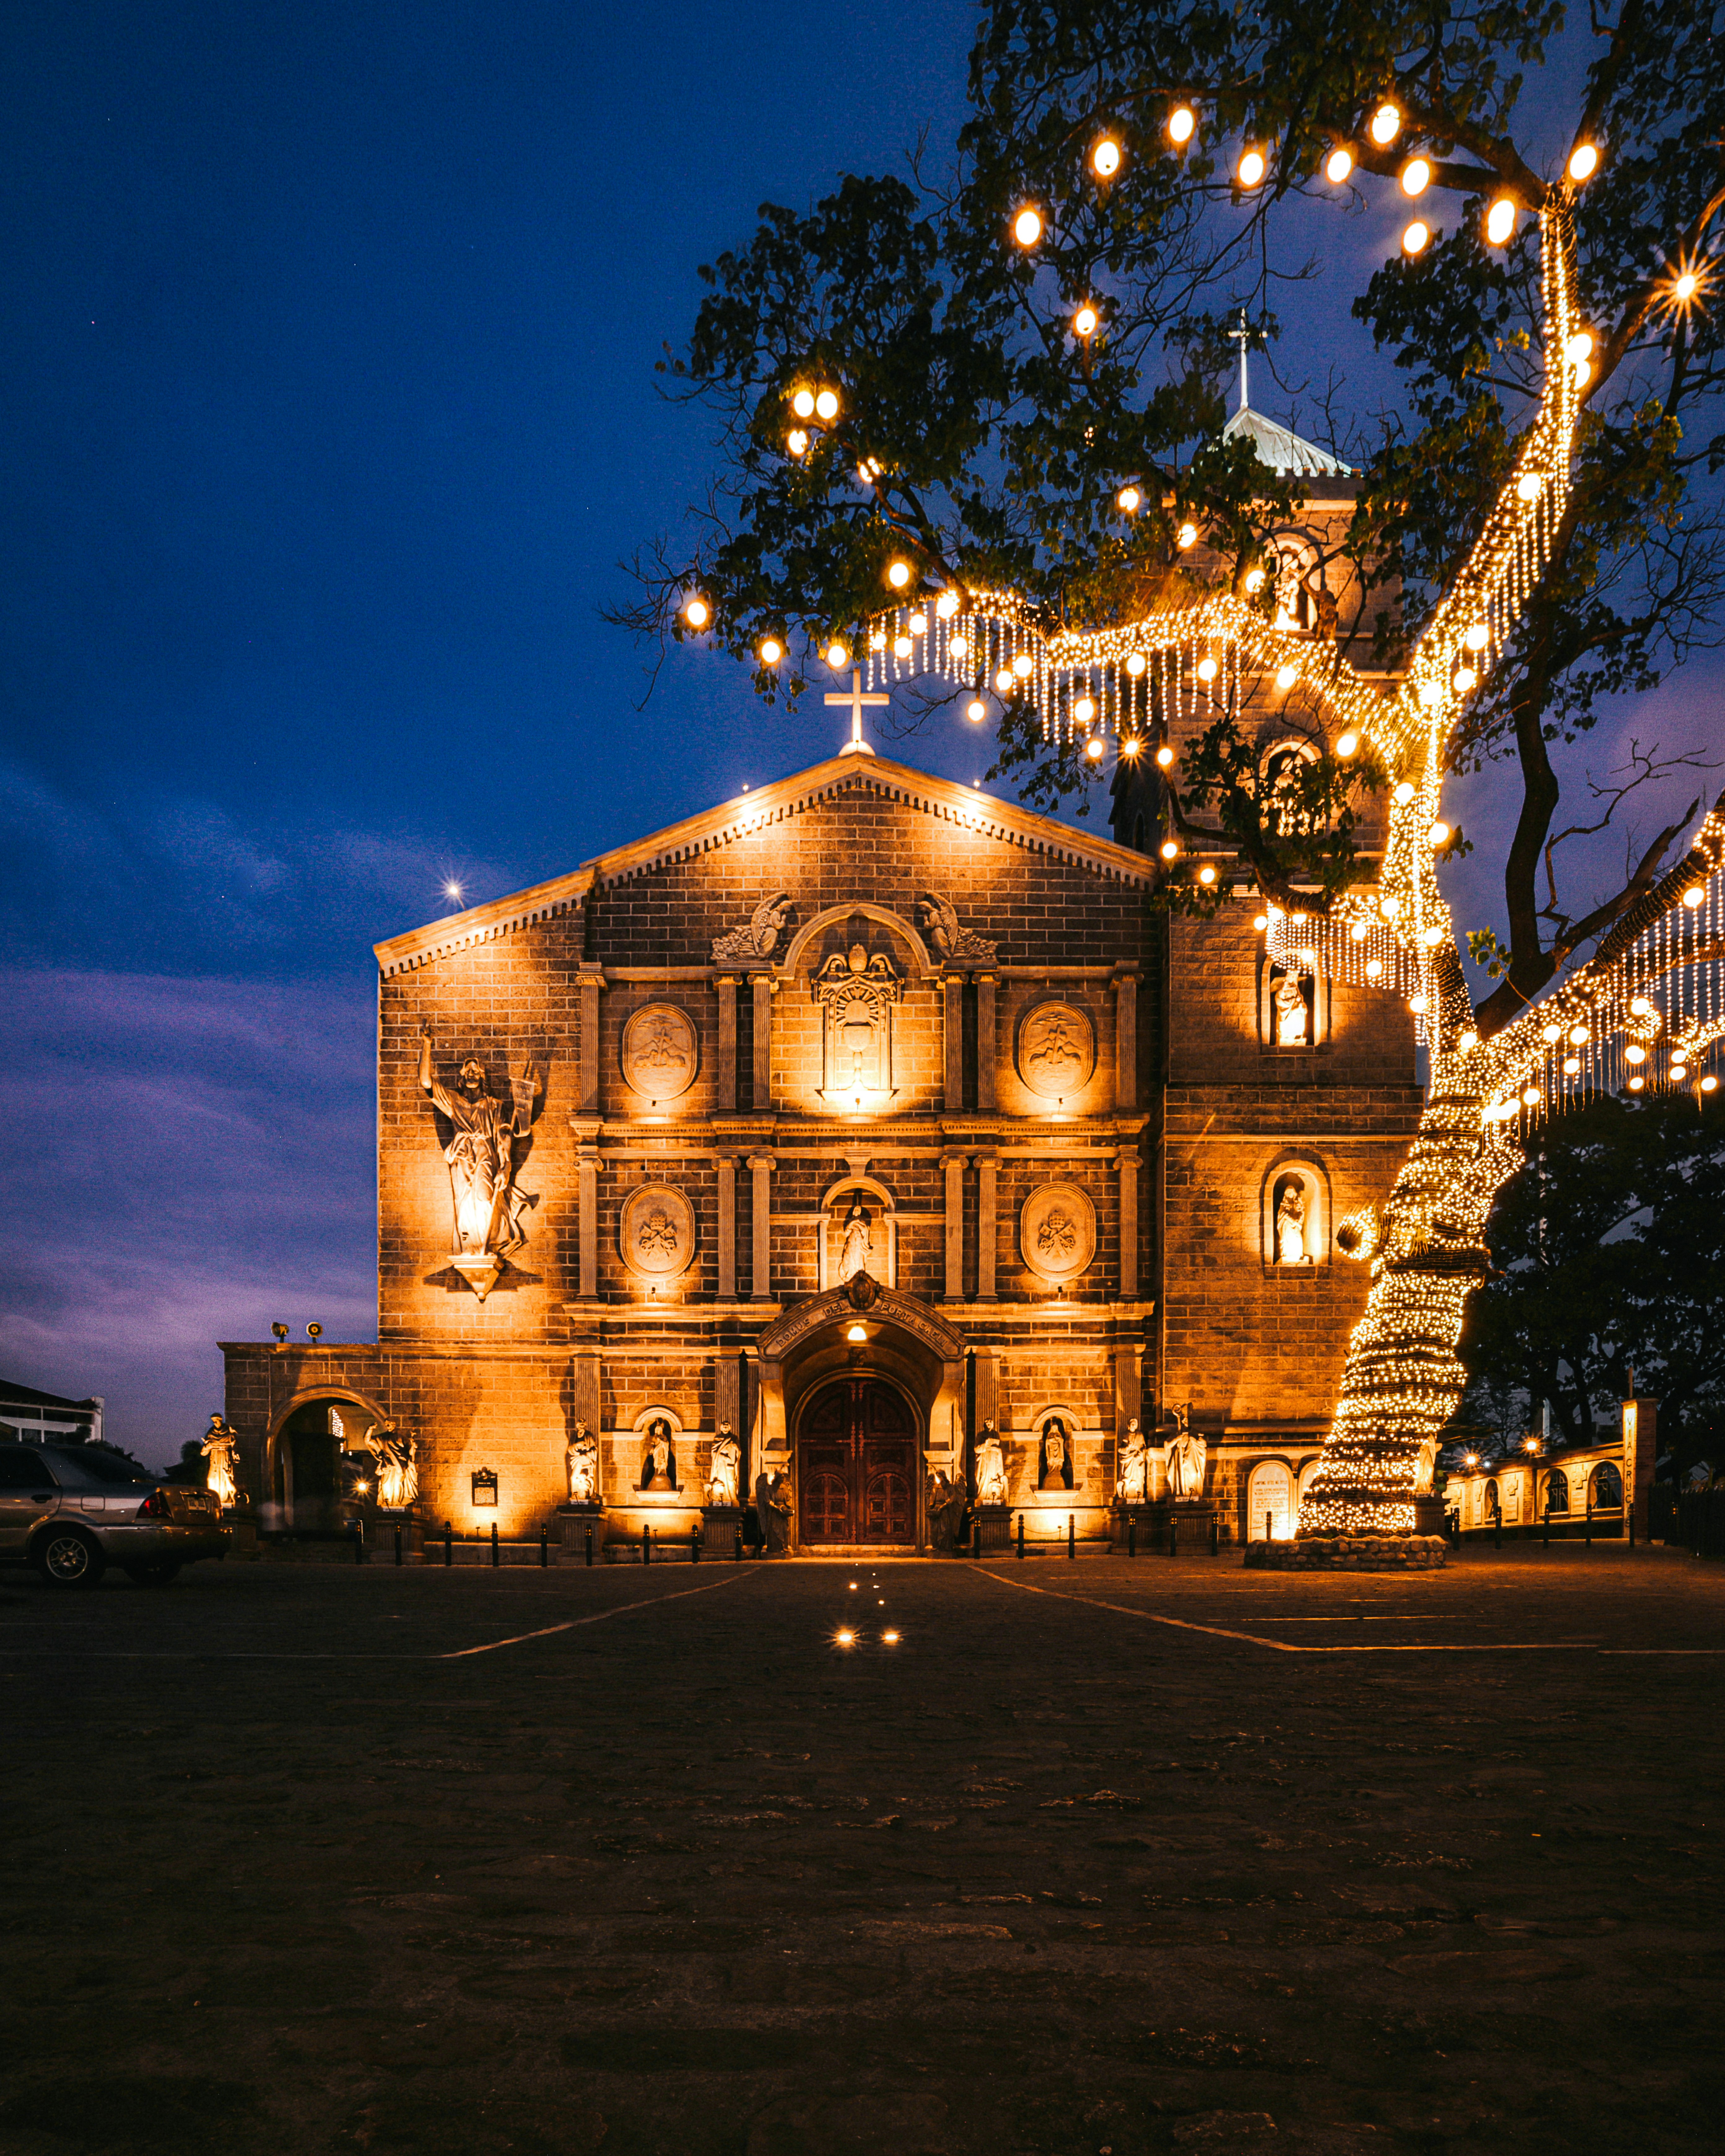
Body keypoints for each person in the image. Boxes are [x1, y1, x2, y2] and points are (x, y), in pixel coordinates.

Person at [1115, 1417, 1149, 1505]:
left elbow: (1144, 1448)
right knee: (1126, 1477)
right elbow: (1119, 1449)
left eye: (1135, 1424)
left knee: (1138, 1477)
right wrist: (1128, 1448)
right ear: (1128, 1426)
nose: (1134, 1426)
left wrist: (1140, 1454)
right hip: (1127, 1460)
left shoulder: (1140, 1436)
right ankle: (1126, 1494)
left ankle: (1138, 1494)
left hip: (1137, 1460)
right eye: (1132, 1424)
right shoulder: (1124, 1435)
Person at [707, 1423, 742, 1507]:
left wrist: (736, 1447)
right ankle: (720, 1498)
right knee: (721, 1480)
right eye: (724, 1427)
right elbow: (714, 1452)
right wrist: (722, 1456)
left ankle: (732, 1498)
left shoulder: (734, 1438)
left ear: (730, 1428)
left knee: (731, 1481)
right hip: (721, 1464)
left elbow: (739, 1452)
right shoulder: (718, 1438)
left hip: (730, 1465)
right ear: (721, 1428)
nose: (726, 1428)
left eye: (727, 1427)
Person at [974, 1421, 1008, 1506]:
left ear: (993, 1424)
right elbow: (976, 1449)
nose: (988, 1423)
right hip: (985, 1457)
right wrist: (985, 1445)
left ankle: (994, 1495)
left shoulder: (996, 1434)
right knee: (984, 1476)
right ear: (984, 1425)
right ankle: (982, 1495)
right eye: (986, 1422)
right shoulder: (981, 1435)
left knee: (994, 1476)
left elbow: (1001, 1447)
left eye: (990, 1422)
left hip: (995, 1458)